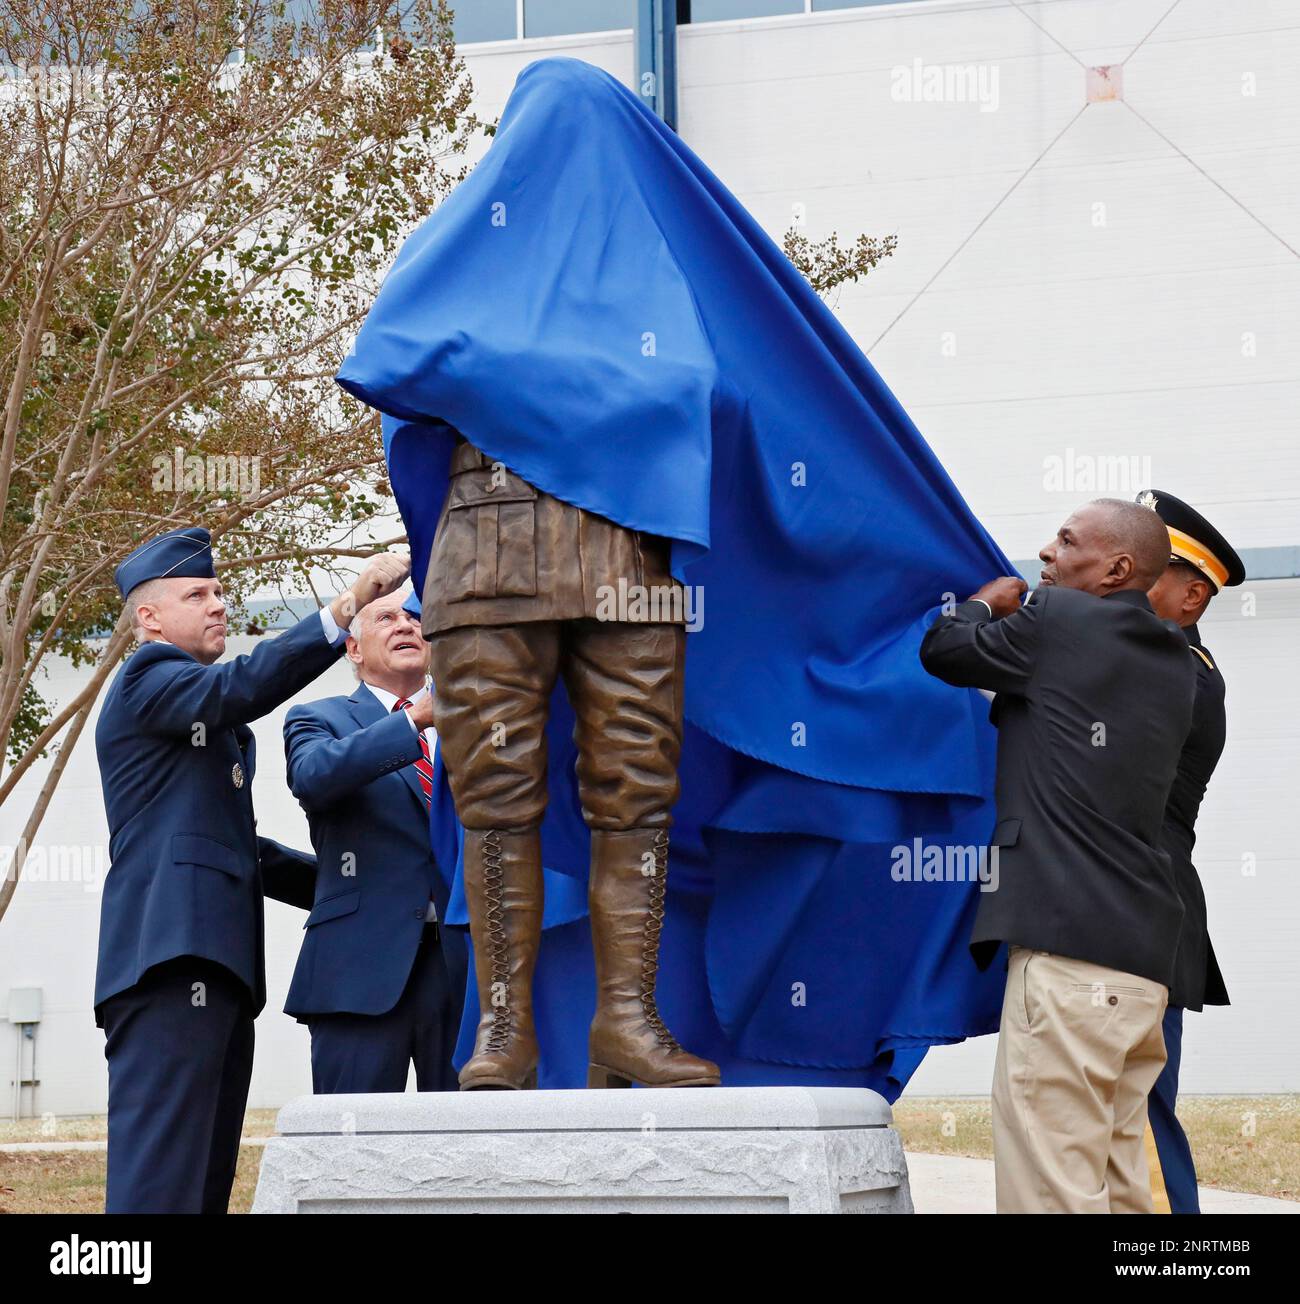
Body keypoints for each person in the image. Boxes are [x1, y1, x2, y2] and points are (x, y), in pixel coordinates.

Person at [94, 527, 408, 1213]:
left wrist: (363, 889)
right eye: (197, 593)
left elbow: (246, 852)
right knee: (160, 1189)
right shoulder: (151, 676)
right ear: (148, 617)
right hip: (170, 962)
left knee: (203, 1182)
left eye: (219, 591)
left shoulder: (200, 714)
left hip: (216, 969)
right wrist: (347, 605)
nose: (218, 604)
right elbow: (243, 685)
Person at [919, 498, 1196, 1213]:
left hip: (1071, 967)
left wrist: (980, 605)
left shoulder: (1063, 621)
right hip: (1141, 971)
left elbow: (945, 652)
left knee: (1053, 1194)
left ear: (1116, 569)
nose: (1045, 552)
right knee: (1121, 1189)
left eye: (1067, 541)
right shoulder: (1176, 662)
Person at [423, 435, 721, 1091]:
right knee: (494, 795)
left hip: (632, 535)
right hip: (488, 537)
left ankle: (627, 1019)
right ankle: (504, 1027)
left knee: (638, 786)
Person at [282, 588, 467, 1094]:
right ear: (354, 649)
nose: (406, 626)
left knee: (470, 1149)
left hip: (464, 969)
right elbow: (315, 777)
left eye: (414, 617)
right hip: (358, 969)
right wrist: (413, 721)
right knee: (350, 1148)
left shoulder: (475, 719)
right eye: (386, 618)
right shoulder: (318, 718)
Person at [1137, 489, 1244, 1214]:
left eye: (1142, 569)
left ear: (1190, 595)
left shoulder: (1176, 670)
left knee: (1135, 1119)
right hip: (1141, 910)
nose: (1116, 578)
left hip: (1142, 913)